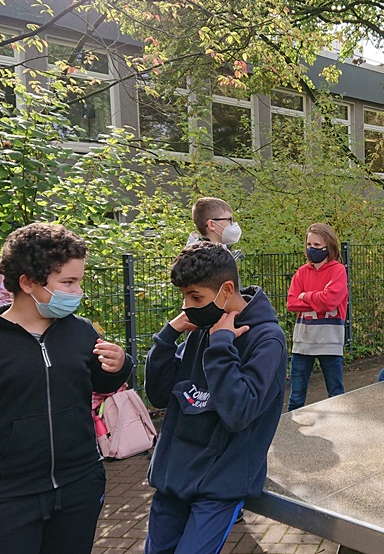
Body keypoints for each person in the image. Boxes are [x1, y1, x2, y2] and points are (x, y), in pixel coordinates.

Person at [0, 223, 133, 554]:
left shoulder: (81, 332)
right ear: (28, 282)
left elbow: (100, 383)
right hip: (6, 497)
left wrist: (120, 365)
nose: (78, 291)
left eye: (79, 281)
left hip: (78, 487)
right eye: (68, 282)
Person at [144, 242, 286, 554]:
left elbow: (239, 411)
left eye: (195, 297)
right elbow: (158, 395)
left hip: (219, 482)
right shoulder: (200, 326)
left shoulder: (267, 340)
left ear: (226, 289)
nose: (187, 306)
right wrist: (167, 337)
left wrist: (221, 346)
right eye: (184, 297)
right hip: (175, 474)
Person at [285, 223, 349, 410]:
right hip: (303, 343)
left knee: (335, 393)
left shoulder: (338, 270)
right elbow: (291, 303)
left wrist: (306, 295)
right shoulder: (302, 272)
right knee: (296, 398)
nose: (312, 249)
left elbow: (331, 301)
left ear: (328, 246)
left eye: (317, 245)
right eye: (309, 244)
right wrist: (318, 297)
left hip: (329, 341)